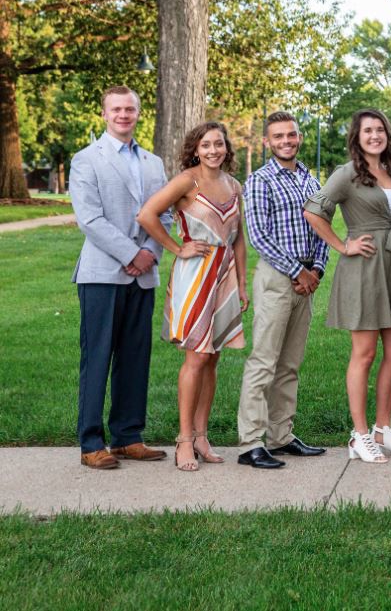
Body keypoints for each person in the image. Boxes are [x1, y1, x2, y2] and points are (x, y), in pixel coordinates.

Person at [304, 109, 391, 464]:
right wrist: (343, 245)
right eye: (368, 130)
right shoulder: (347, 173)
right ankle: (358, 435)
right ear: (357, 136)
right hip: (364, 269)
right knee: (365, 353)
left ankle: (382, 429)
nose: (375, 135)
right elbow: (313, 211)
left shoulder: (390, 173)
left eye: (380, 129)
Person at [70, 86, 172, 469]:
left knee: (135, 357)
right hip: (101, 274)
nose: (123, 114)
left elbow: (163, 215)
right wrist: (132, 254)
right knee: (96, 357)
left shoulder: (153, 162)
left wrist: (149, 253)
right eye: (116, 109)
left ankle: (128, 436)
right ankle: (91, 442)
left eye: (130, 108)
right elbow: (90, 219)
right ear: (104, 113)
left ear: (138, 113)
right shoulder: (85, 160)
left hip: (142, 276)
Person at [137, 122, 248, 471]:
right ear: (196, 149)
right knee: (197, 358)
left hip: (225, 275)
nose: (213, 150)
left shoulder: (234, 185)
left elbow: (239, 239)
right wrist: (176, 248)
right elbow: (146, 215)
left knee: (213, 359)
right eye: (206, 145)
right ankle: (183, 440)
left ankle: (201, 435)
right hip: (195, 274)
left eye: (219, 144)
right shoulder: (187, 181)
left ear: (227, 148)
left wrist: (242, 284)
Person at [237, 112, 330, 469]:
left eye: (291, 134)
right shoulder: (260, 181)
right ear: (267, 142)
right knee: (264, 360)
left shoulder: (310, 178)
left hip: (307, 278)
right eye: (278, 136)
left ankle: (280, 434)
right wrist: (298, 271)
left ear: (299, 137)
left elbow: (323, 225)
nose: (286, 141)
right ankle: (250, 443)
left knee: (290, 363)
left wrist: (317, 270)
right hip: (278, 278)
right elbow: (259, 236)